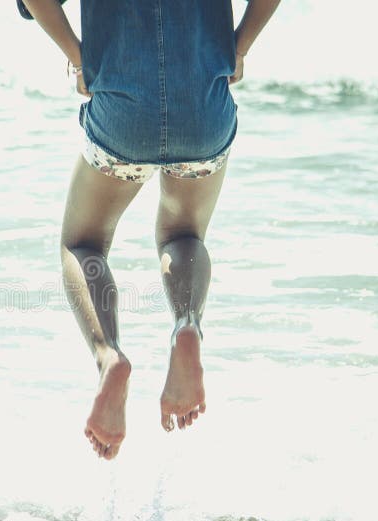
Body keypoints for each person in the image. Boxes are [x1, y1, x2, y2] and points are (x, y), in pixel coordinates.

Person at [22, 0, 280, 459]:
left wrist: (77, 57)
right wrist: (240, 47)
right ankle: (186, 323)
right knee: (183, 235)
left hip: (123, 113)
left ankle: (109, 356)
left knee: (83, 243)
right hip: (202, 108)